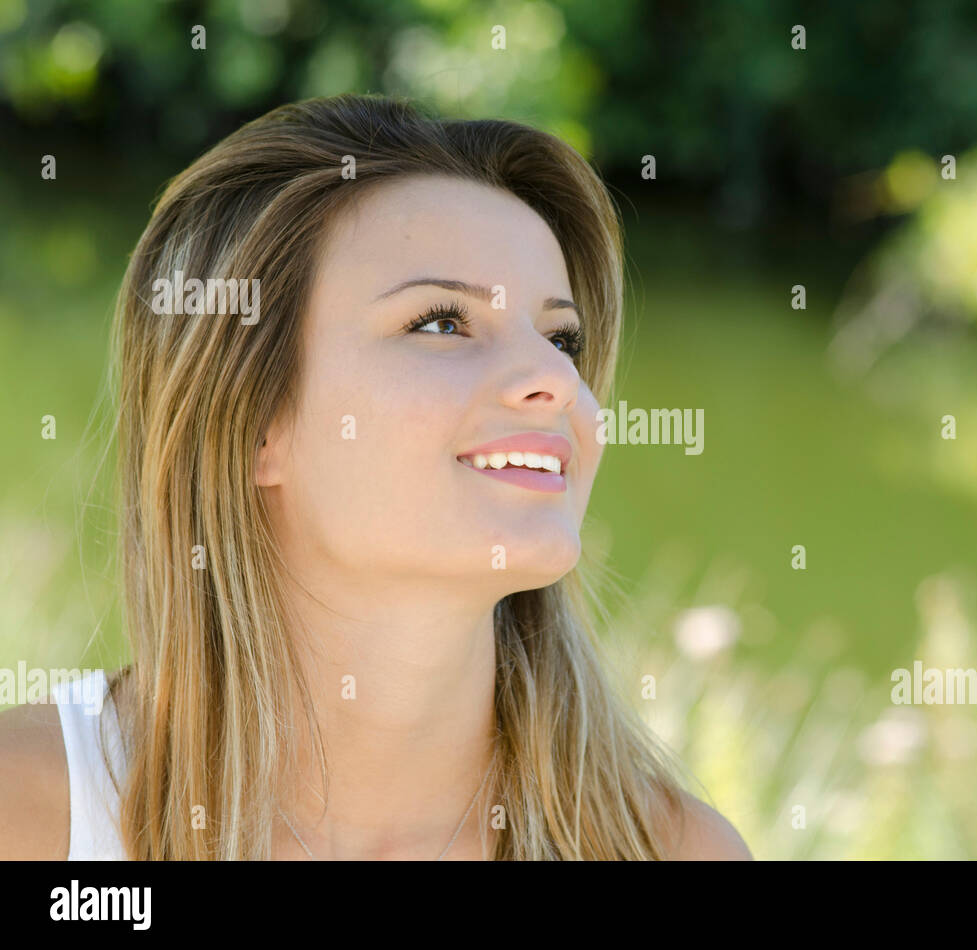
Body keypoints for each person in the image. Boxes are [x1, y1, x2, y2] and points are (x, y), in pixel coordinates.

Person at [0, 94, 751, 861]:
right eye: (442, 322)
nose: (556, 381)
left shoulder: (673, 851)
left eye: (562, 337)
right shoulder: (21, 815)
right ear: (254, 421)